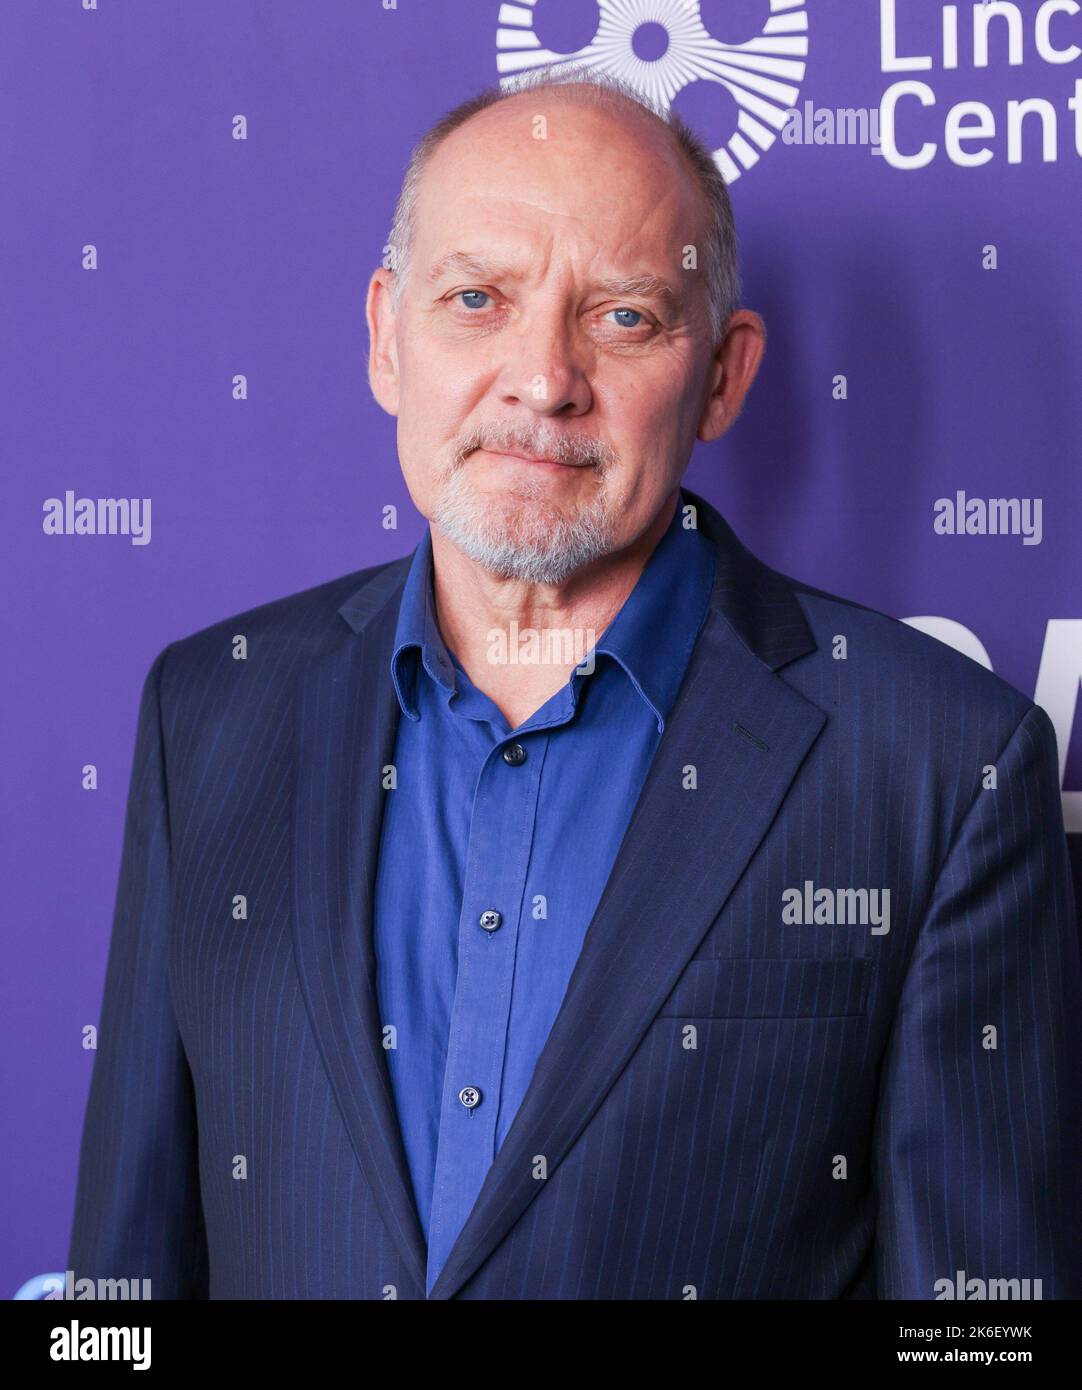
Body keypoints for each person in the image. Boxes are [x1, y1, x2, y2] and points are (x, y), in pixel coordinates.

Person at [68, 68, 1082, 1300]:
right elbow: (121, 1294)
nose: (541, 378)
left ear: (721, 374)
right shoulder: (209, 713)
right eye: (475, 298)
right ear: (387, 335)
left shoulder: (938, 760)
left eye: (622, 318)